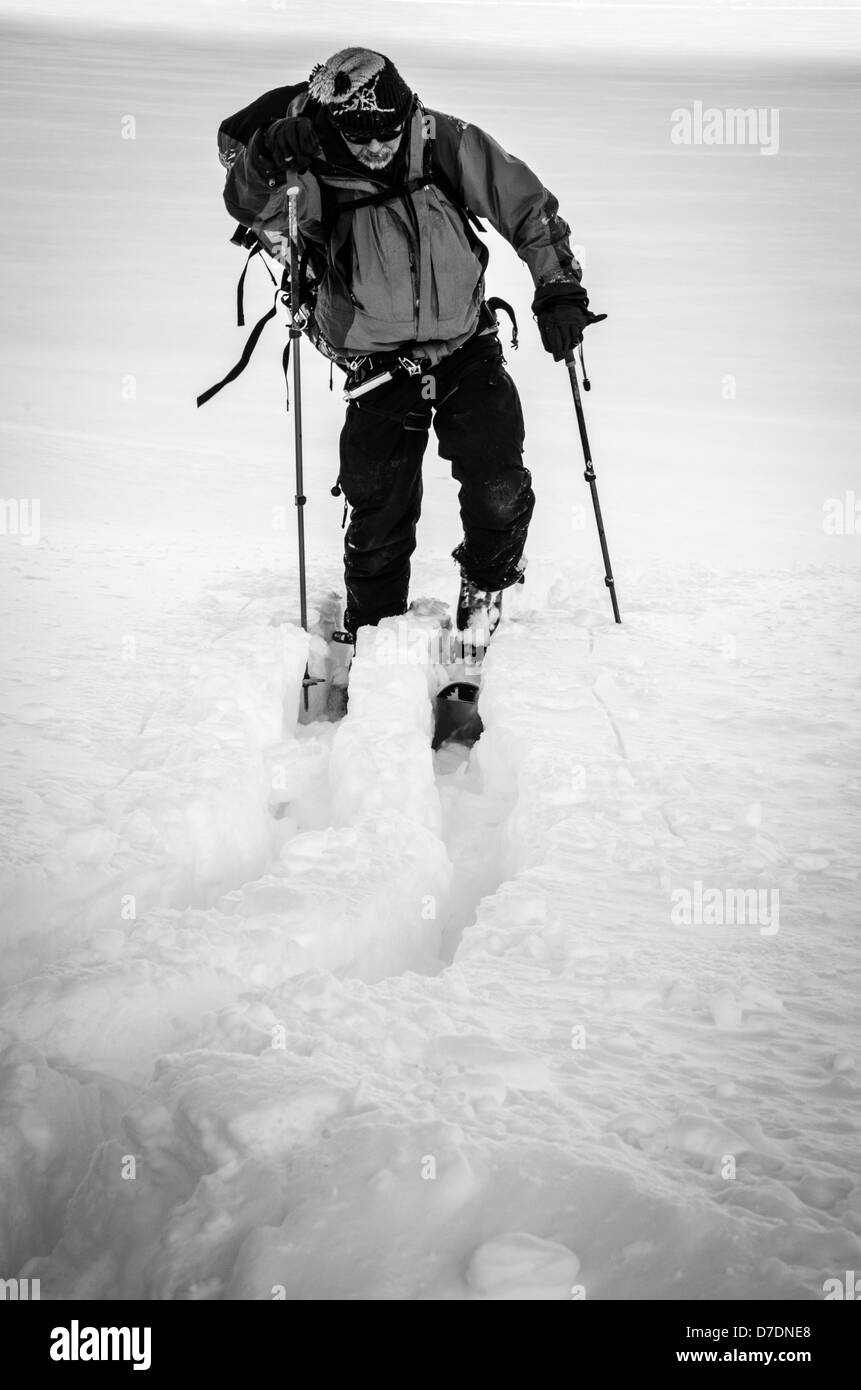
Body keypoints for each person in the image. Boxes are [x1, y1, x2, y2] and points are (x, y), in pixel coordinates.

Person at [218, 47, 604, 642]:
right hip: (377, 360)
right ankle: (374, 631)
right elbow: (251, 205)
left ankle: (485, 600)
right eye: (361, 140)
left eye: (388, 135)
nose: (376, 150)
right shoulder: (310, 163)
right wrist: (267, 156)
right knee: (378, 508)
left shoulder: (445, 142)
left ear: (407, 111)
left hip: (465, 343)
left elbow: (525, 205)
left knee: (499, 487)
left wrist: (558, 288)